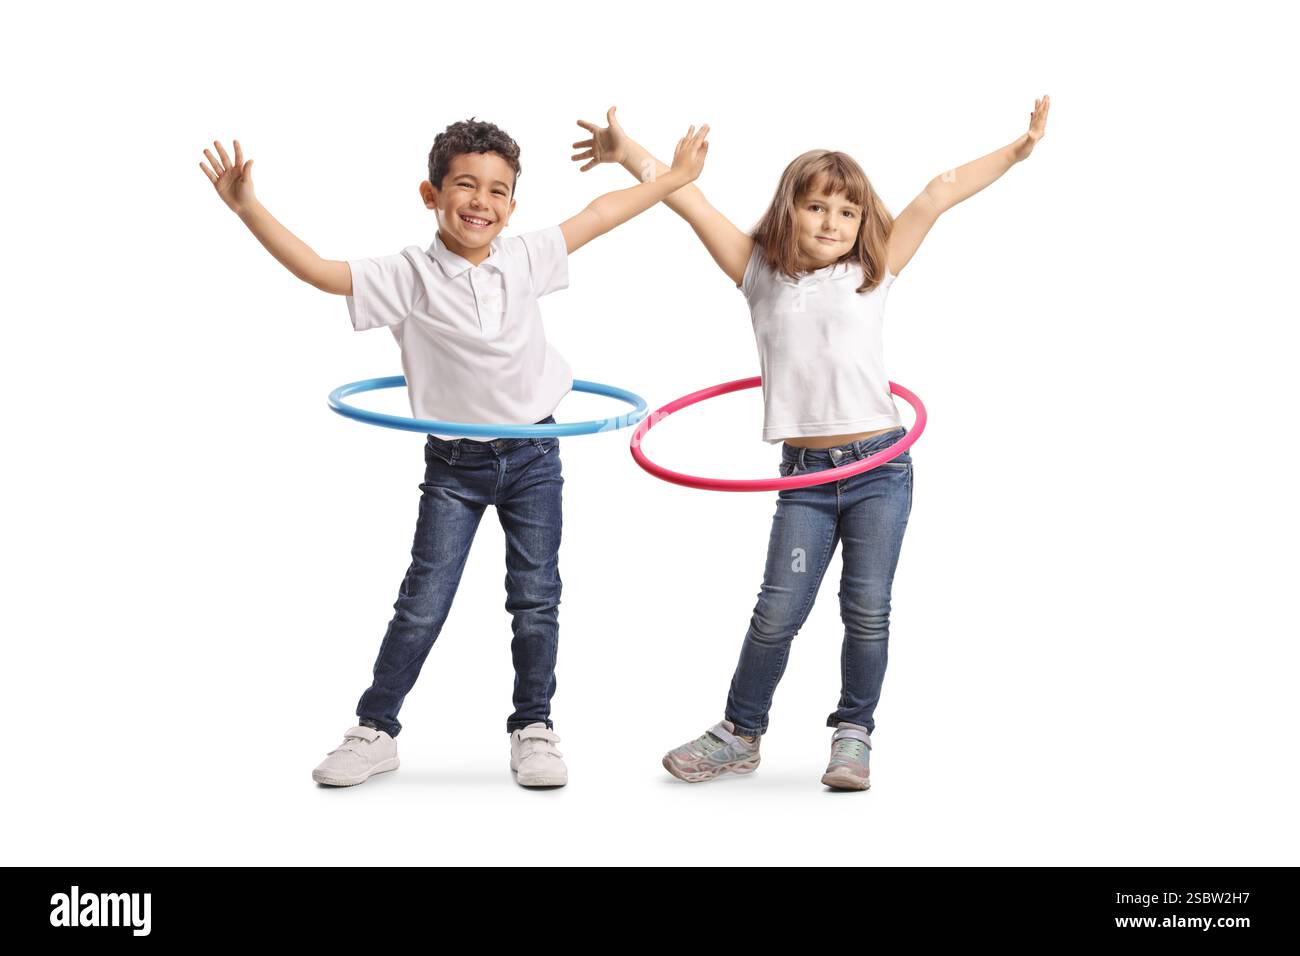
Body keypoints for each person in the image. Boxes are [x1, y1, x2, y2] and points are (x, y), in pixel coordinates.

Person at [200, 116, 710, 788]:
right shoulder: (407, 275)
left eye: (498, 191)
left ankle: (534, 726)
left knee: (536, 598)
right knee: (423, 599)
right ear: (430, 194)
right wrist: (248, 208)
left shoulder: (526, 256)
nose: (481, 202)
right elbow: (322, 272)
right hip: (455, 466)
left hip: (534, 456)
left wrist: (671, 178)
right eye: (465, 185)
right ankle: (375, 729)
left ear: (512, 206)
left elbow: (601, 213)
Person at [572, 97, 1050, 789]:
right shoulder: (755, 272)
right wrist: (631, 153)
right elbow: (689, 200)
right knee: (777, 611)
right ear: (789, 210)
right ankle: (740, 733)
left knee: (867, 608)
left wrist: (1017, 149)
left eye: (847, 211)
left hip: (880, 469)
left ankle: (853, 736)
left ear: (864, 223)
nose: (833, 222)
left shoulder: (873, 271)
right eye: (818, 206)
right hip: (803, 479)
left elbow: (938, 192)